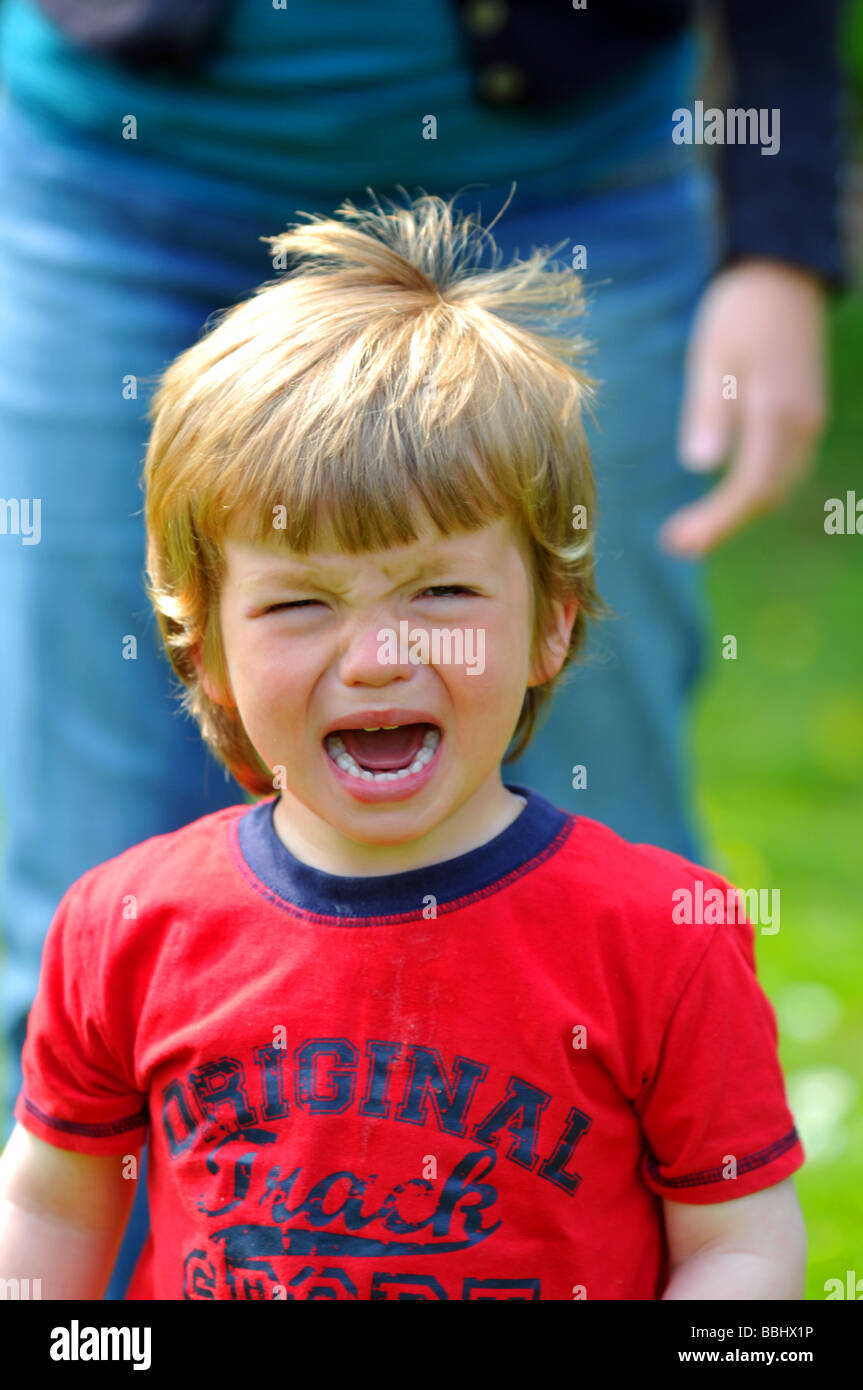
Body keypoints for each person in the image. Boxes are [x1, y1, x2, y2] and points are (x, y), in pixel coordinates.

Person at [0, 0, 840, 1296]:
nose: (380, 655)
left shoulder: (669, 938)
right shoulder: (118, 929)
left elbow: (738, 1239)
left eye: (441, 590)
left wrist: (777, 236)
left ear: (560, 616)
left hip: (575, 165)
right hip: (116, 176)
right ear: (198, 646)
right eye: (297, 606)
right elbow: (50, 1213)